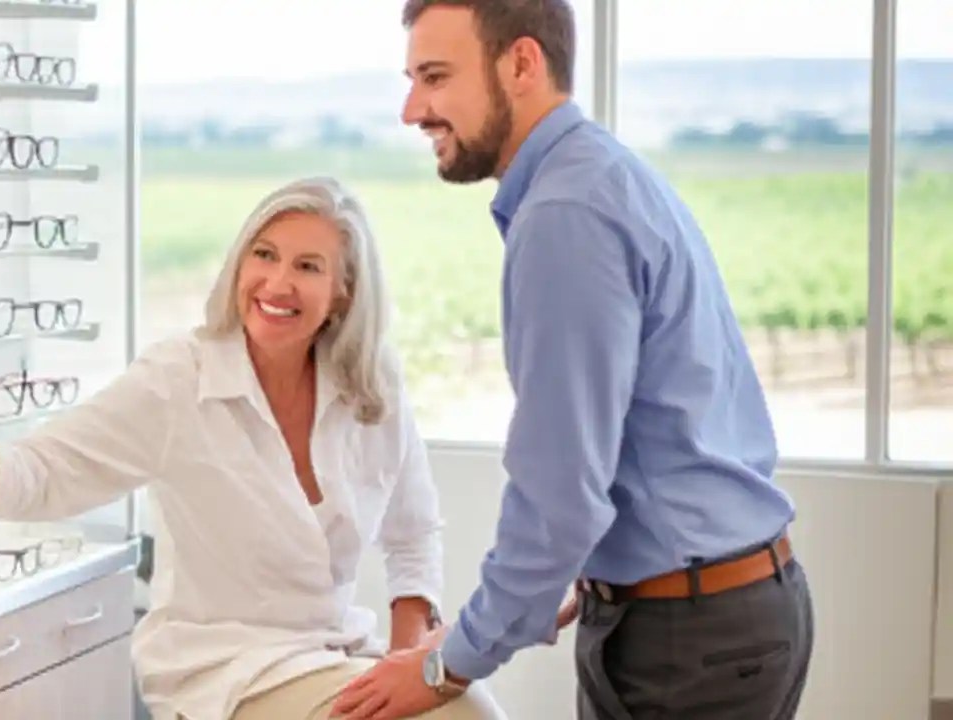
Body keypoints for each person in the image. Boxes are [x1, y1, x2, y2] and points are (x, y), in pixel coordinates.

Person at [332, 2, 815, 719]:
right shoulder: (603, 174)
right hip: (713, 611)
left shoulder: (566, 213)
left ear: (522, 64)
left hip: (688, 640)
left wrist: (445, 665)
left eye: (434, 76)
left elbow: (560, 496)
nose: (412, 109)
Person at [0, 176, 506, 720]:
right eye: (263, 255)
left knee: (468, 707)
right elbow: (50, 470)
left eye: (308, 267)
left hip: (330, 653)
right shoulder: (179, 380)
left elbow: (414, 531)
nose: (278, 282)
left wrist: (406, 662)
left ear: (344, 291)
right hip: (220, 672)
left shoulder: (370, 383)